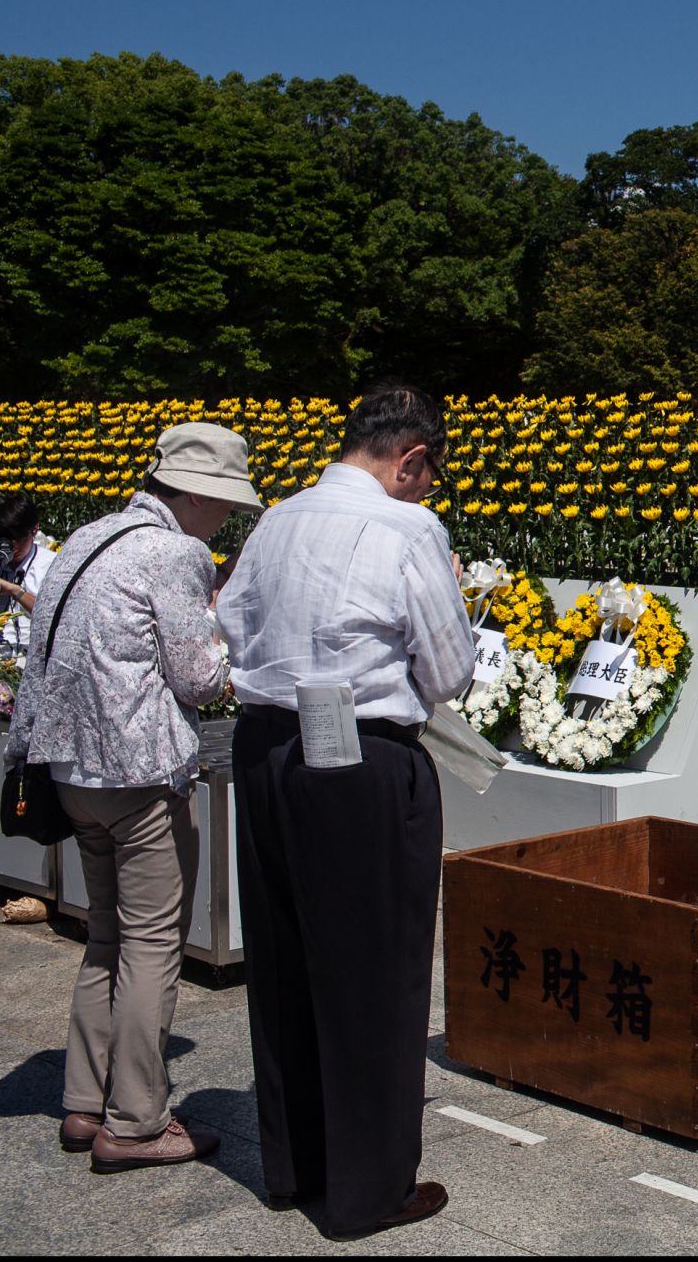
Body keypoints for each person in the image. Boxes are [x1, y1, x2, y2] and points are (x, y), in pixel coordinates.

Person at [217, 381, 474, 1240]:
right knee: (374, 973)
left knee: (285, 961)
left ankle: (295, 1167)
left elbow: (231, 623)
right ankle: (367, 1190)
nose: (429, 490)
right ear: (410, 460)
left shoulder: (277, 519)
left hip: (264, 748)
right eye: (430, 474)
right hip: (360, 758)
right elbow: (446, 673)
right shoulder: (408, 529)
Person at [4, 423, 261, 1173]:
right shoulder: (177, 551)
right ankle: (138, 1121)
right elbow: (199, 680)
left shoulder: (87, 537)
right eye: (223, 503)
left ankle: (84, 1102)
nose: (227, 518)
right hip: (141, 777)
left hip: (70, 773)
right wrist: (227, 632)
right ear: (191, 492)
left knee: (106, 938)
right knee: (152, 945)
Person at [0, 493, 56, 647]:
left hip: (32, 656)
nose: (13, 546)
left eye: (19, 537)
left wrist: (15, 591)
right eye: (4, 539)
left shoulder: (52, 565)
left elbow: (55, 617)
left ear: (35, 529)